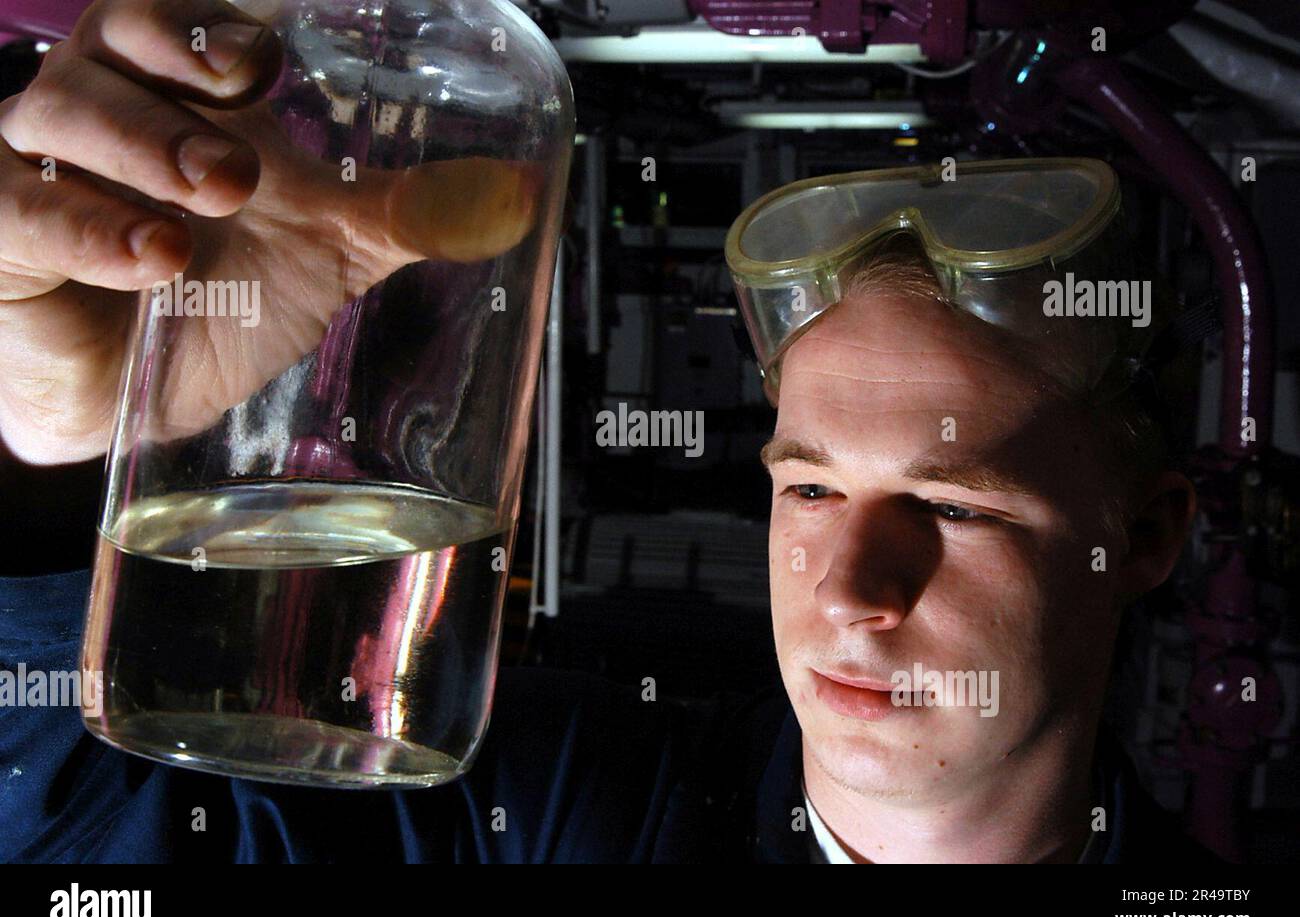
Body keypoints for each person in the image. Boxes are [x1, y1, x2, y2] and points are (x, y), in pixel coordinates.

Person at [0, 0, 1222, 863]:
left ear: (1150, 530)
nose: (851, 588)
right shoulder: (554, 804)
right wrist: (87, 450)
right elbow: (74, 834)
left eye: (953, 505)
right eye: (808, 493)